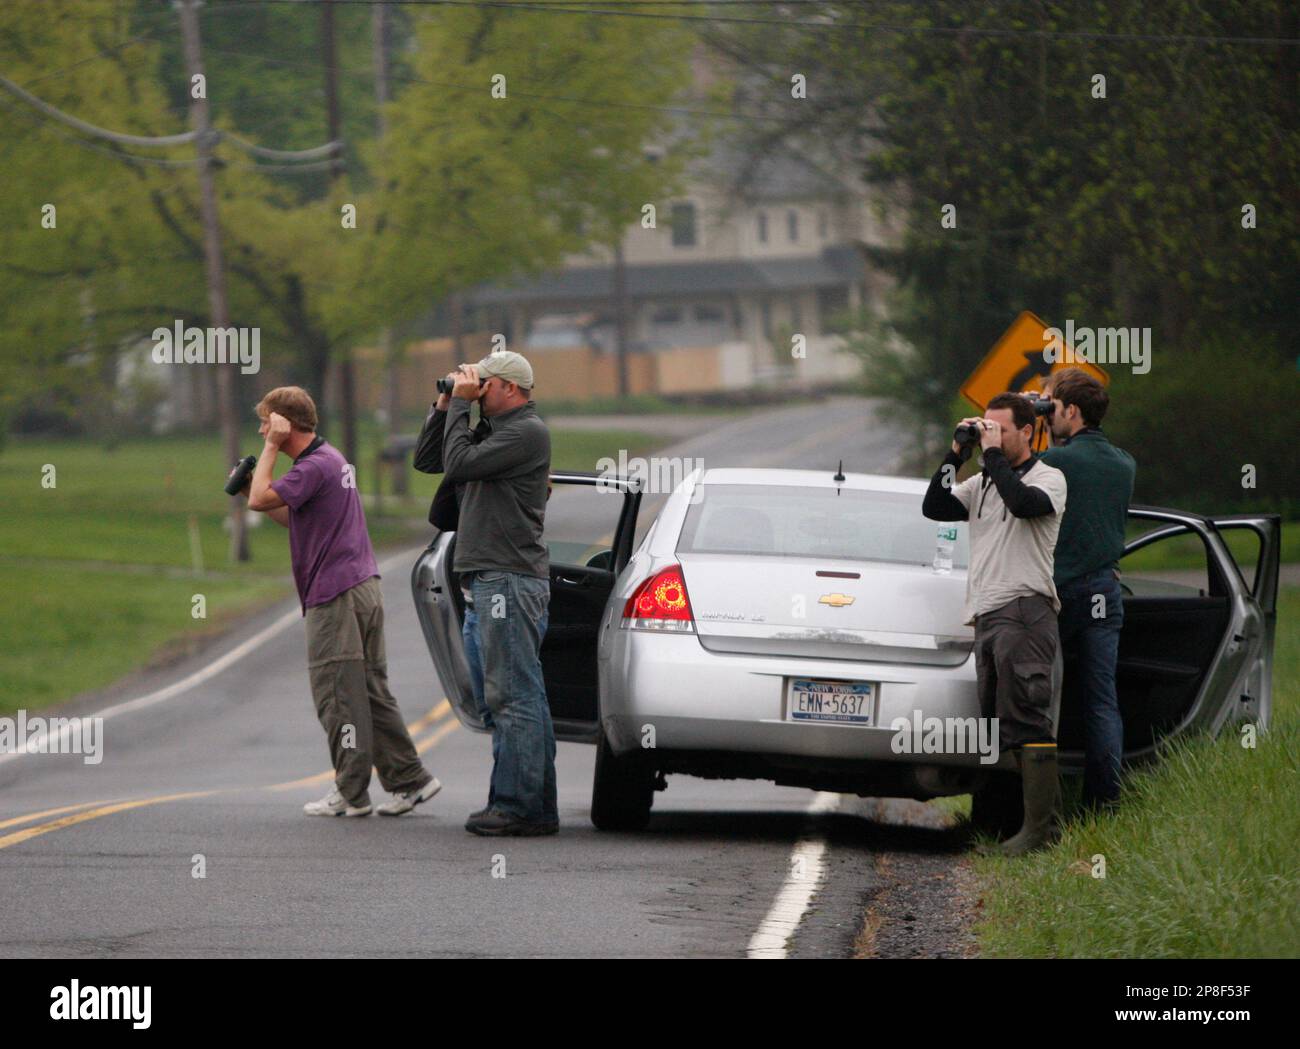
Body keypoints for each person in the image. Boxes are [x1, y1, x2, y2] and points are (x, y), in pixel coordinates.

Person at [243, 386, 440, 818]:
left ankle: (350, 792)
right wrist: (248, 488)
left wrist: (271, 448)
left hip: (334, 595)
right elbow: (288, 515)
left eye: (266, 422)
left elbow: (261, 498)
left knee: (338, 694)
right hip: (362, 586)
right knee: (369, 692)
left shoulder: (311, 466)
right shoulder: (330, 459)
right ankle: (410, 779)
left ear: (284, 423)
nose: (261, 430)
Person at [412, 351, 554, 836]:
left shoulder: (526, 432)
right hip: (490, 580)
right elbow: (430, 461)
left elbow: (458, 462)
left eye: (483, 383)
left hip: (507, 579)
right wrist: (444, 405)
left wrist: (460, 407)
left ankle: (519, 806)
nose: (474, 388)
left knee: (512, 696)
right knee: (509, 697)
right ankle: (529, 804)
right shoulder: (494, 432)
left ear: (510, 388)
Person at [923, 392, 1068, 855]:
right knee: (1001, 723)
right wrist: (956, 452)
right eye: (987, 428)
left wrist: (991, 456)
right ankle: (1035, 827)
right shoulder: (983, 483)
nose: (993, 437)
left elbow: (1023, 504)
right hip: (988, 613)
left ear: (1027, 432)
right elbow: (935, 506)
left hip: (1025, 610)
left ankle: (1041, 833)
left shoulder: (1049, 478)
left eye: (1000, 430)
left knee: (1028, 718)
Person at [1037, 368, 1136, 809]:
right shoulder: (1124, 462)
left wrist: (1032, 424)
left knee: (1041, 698)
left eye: (1052, 406)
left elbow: (1023, 480)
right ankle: (1105, 800)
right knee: (1101, 701)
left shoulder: (1057, 462)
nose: (1048, 413)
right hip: (1104, 592)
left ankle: (1041, 803)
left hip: (1059, 593)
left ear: (1072, 411)